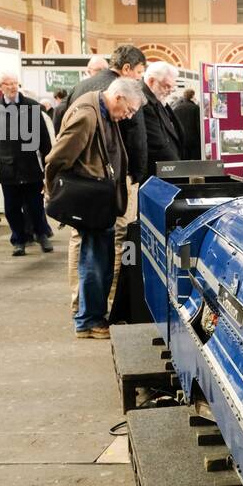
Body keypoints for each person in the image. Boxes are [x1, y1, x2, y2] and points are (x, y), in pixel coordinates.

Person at [44, 78, 145, 337]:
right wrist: (54, 191)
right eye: (129, 110)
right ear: (118, 97)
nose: (128, 116)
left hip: (100, 200)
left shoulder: (102, 109)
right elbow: (57, 158)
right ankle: (89, 321)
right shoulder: (88, 116)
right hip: (90, 202)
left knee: (100, 259)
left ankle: (92, 316)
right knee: (93, 262)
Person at [66, 45, 147, 314]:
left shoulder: (84, 87)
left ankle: (80, 304)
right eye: (139, 72)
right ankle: (106, 304)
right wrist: (136, 173)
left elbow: (63, 126)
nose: (139, 78)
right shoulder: (124, 92)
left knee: (81, 241)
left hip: (83, 182)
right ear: (126, 70)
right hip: (111, 181)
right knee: (114, 240)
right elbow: (135, 138)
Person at [0, 71, 55, 256]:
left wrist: (48, 163)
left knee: (35, 204)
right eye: (8, 84)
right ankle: (19, 240)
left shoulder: (32, 107)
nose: (13, 87)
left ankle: (42, 234)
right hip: (8, 168)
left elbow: (44, 139)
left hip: (30, 166)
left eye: (15, 83)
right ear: (0, 87)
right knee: (12, 207)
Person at [140, 63, 184, 182]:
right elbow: (157, 144)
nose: (170, 91)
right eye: (166, 86)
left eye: (171, 87)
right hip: (157, 174)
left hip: (166, 170)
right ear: (151, 81)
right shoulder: (144, 102)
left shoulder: (157, 99)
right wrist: (180, 171)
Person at [173, 86, 202, 159]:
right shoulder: (195, 108)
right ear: (192, 96)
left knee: (184, 161)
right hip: (194, 141)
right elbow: (198, 125)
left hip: (181, 139)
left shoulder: (176, 108)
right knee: (196, 161)